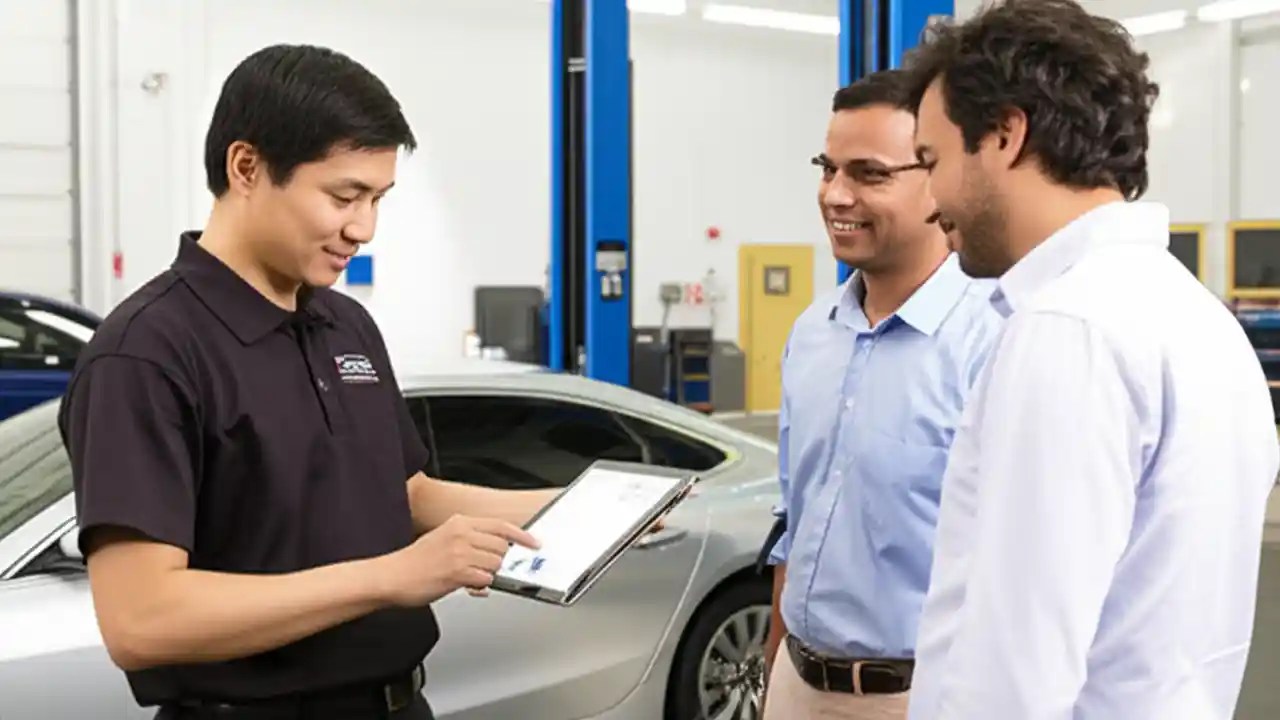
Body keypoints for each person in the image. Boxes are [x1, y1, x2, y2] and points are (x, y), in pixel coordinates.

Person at [57, 44, 558, 720]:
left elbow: (406, 495)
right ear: (247, 167)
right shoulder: (146, 354)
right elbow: (141, 620)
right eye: (344, 196)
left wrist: (575, 507)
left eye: (378, 199)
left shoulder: (345, 325)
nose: (364, 228)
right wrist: (392, 578)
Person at [903, 1, 1280, 718]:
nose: (931, 201)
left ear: (1006, 134)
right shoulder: (1199, 320)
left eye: (933, 162)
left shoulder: (1068, 328)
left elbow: (1015, 670)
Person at [760, 69, 1002, 720]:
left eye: (868, 173)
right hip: (795, 680)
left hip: (920, 697)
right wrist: (773, 672)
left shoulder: (996, 342)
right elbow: (795, 519)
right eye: (827, 168)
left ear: (937, 176)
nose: (836, 194)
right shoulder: (813, 334)